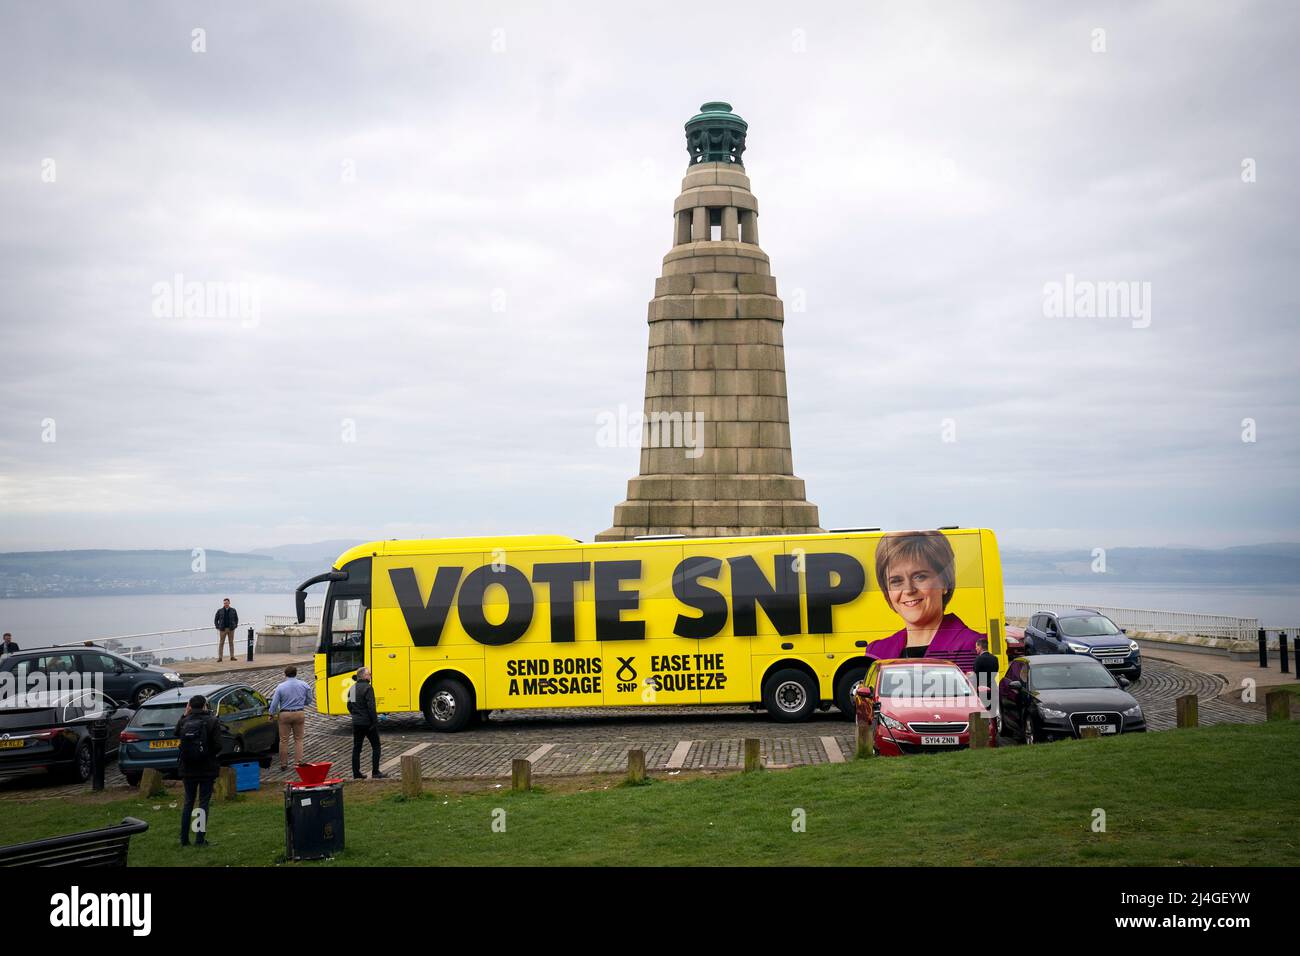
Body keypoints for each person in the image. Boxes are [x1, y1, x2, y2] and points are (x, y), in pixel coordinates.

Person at [866, 531, 986, 670]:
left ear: (945, 583)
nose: (909, 590)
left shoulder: (975, 645)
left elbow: (988, 684)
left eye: (920, 577)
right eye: (896, 581)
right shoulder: (877, 651)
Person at [175, 694, 222, 847]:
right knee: (203, 803)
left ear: (189, 706)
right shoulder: (212, 721)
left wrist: (184, 714)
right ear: (204, 705)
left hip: (187, 767)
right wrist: (208, 754)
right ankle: (199, 839)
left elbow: (176, 732)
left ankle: (184, 838)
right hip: (206, 767)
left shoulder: (184, 721)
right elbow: (218, 745)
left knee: (188, 802)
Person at [269, 664, 315, 771]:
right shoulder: (304, 685)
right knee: (298, 739)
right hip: (299, 713)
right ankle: (298, 762)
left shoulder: (280, 687)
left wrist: (271, 714)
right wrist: (301, 703)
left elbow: (274, 703)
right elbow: (309, 700)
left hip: (285, 714)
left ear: (285, 674)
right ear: (296, 674)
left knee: (284, 740)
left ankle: (283, 764)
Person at [347, 667, 387, 780]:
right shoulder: (368, 688)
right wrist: (374, 721)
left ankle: (356, 773)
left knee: (357, 748)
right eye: (369, 674)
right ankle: (375, 772)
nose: (370, 676)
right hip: (367, 722)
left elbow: (349, 705)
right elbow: (371, 706)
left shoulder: (353, 688)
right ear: (364, 676)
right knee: (376, 746)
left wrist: (355, 715)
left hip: (357, 722)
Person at [213, 598, 238, 662]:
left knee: (231, 643)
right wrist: (217, 627)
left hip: (231, 629)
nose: (225, 604)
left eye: (226, 603)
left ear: (229, 603)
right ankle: (220, 658)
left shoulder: (233, 610)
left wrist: (235, 626)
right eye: (224, 603)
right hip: (222, 629)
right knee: (221, 643)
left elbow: (236, 619)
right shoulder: (220, 611)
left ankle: (232, 656)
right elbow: (216, 619)